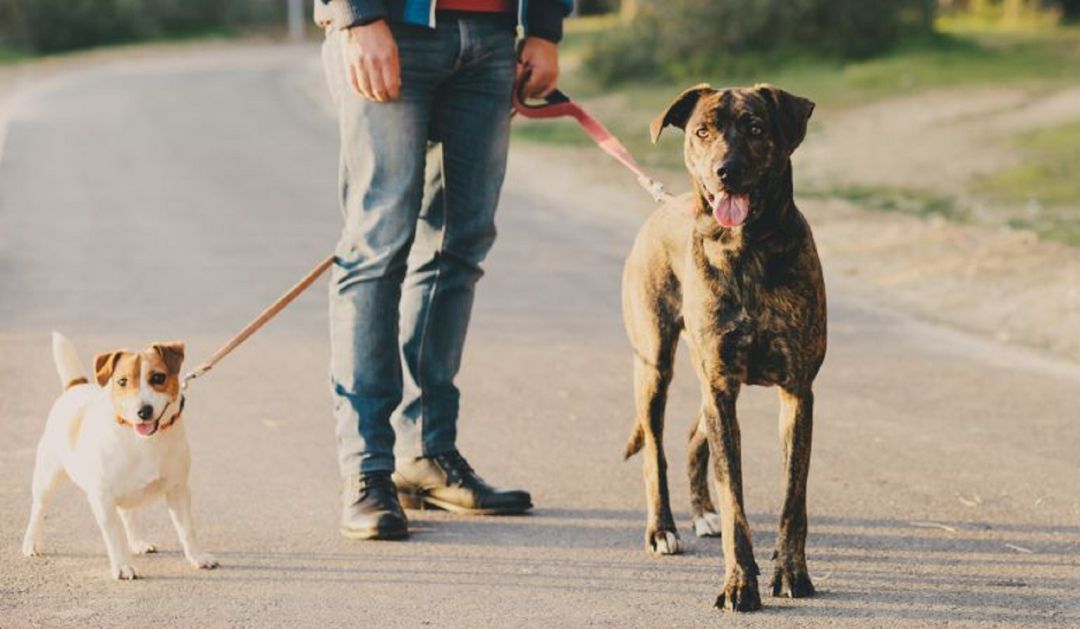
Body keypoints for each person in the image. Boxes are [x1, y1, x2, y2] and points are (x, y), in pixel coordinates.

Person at [314, 0, 571, 540]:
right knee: (378, 246)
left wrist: (545, 27)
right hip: (390, 26)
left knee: (460, 243)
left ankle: (426, 451)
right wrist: (356, 15)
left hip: (495, 35)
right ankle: (367, 469)